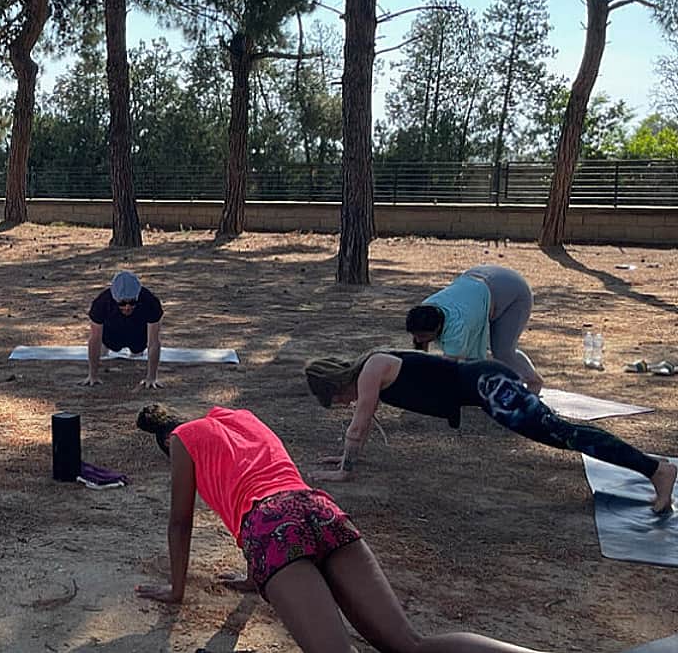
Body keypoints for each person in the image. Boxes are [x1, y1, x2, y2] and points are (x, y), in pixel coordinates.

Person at [134, 404, 551, 653]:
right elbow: (258, 482)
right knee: (409, 643)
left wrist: (176, 589)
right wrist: (252, 576)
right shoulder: (242, 419)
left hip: (271, 527)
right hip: (316, 508)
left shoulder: (183, 440)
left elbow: (180, 522)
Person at [303, 350, 676, 513]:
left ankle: (655, 469)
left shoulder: (371, 369)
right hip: (485, 385)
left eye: (337, 401)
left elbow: (362, 419)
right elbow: (361, 422)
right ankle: (653, 469)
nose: (344, 405)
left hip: (488, 384)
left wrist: (345, 470)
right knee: (560, 432)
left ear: (336, 387)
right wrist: (348, 457)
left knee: (563, 433)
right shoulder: (372, 369)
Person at [406, 265, 544, 392]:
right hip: (479, 278)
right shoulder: (425, 309)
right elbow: (421, 347)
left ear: (438, 328)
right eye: (415, 334)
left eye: (423, 336)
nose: (418, 339)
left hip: (513, 290)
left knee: (503, 351)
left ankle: (534, 381)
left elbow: (450, 367)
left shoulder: (458, 326)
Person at [82, 271, 164, 389]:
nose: (127, 307)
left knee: (137, 355)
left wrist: (152, 377)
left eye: (132, 302)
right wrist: (92, 375)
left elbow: (154, 342)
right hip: (110, 335)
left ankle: (136, 353)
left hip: (138, 336)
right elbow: (95, 339)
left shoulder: (150, 302)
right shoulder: (101, 303)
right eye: (122, 303)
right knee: (101, 351)